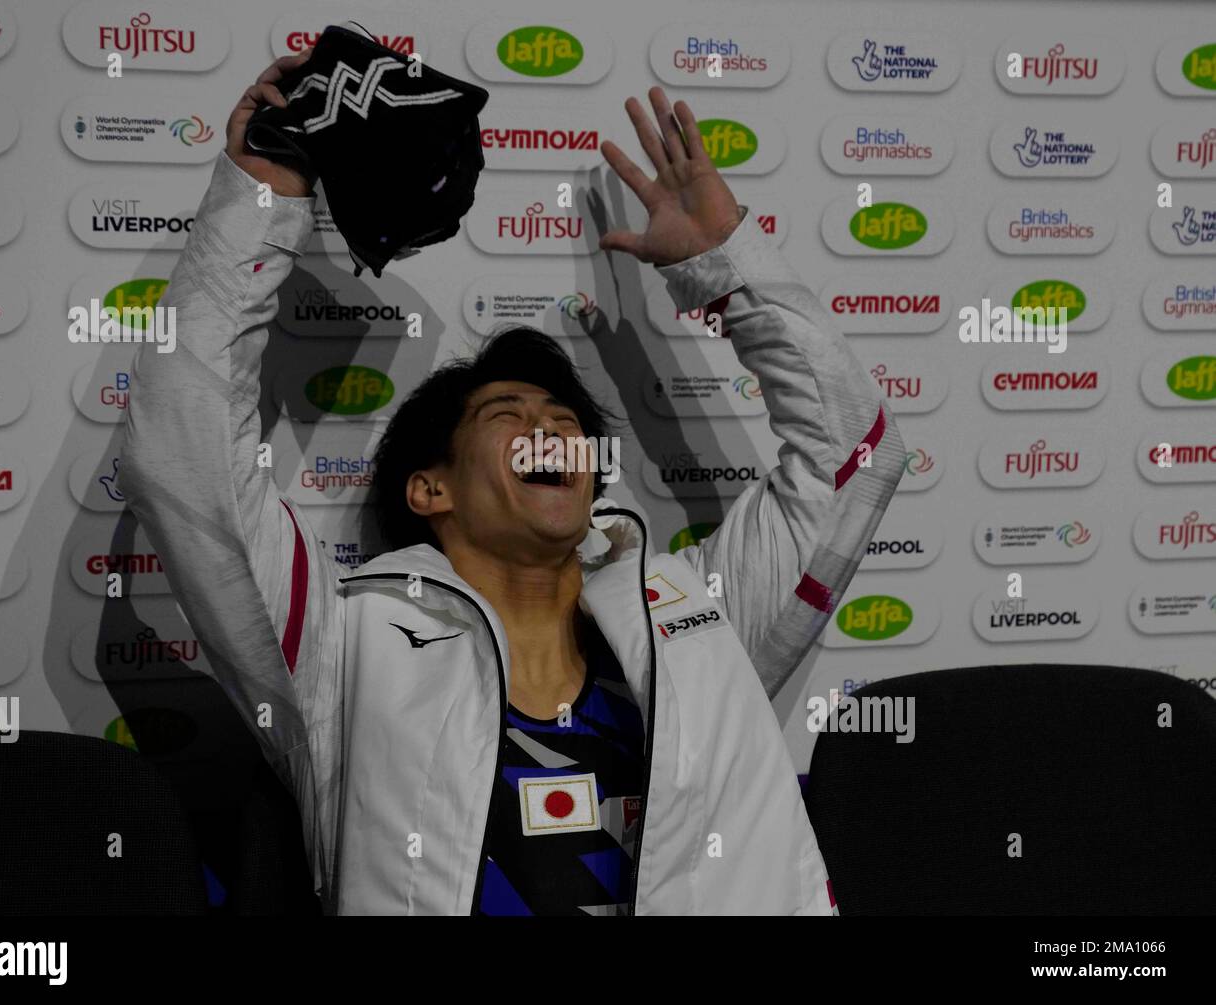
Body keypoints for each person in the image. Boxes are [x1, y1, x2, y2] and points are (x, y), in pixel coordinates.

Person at [118, 49, 906, 915]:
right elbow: (182, 453)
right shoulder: (344, 649)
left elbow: (853, 454)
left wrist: (723, 264)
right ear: (430, 491)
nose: (549, 427)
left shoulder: (698, 616)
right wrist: (264, 196)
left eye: (565, 419)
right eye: (507, 415)